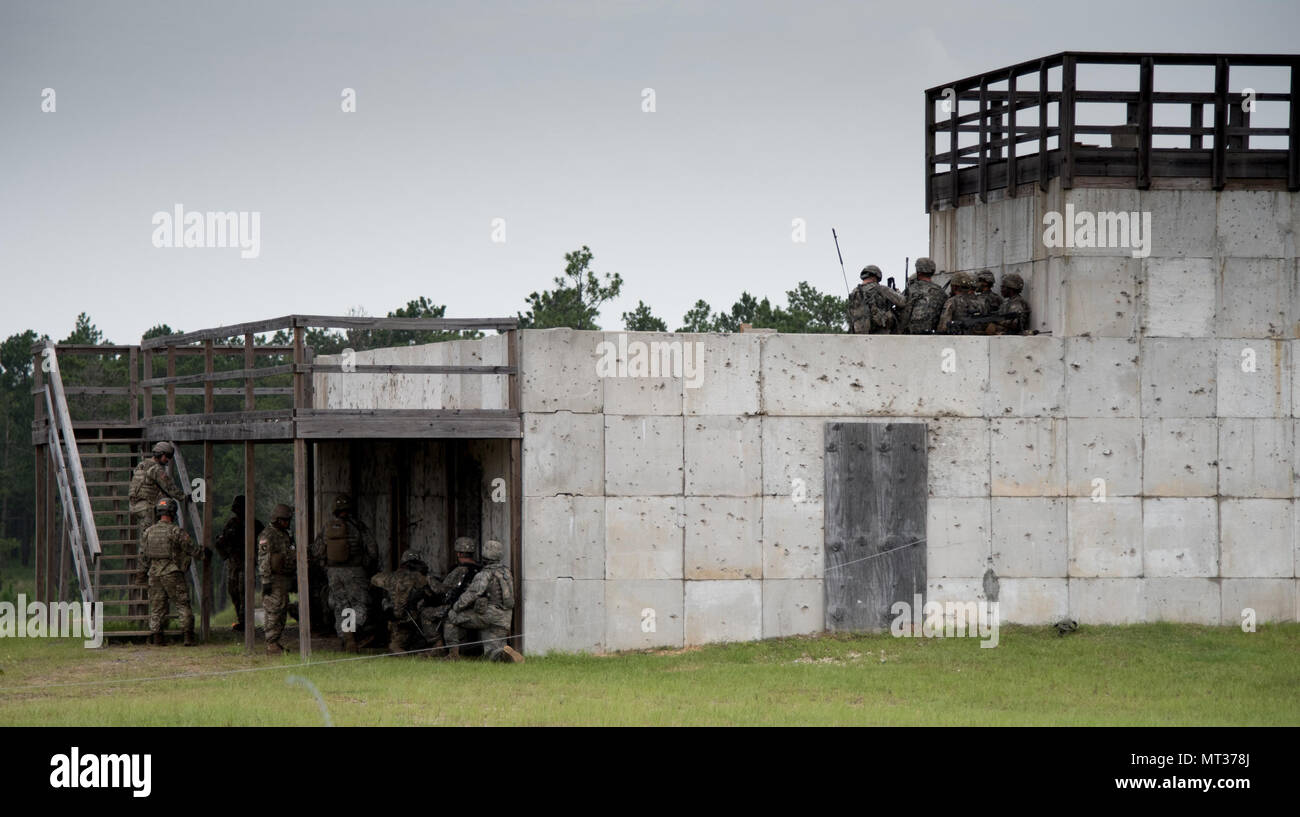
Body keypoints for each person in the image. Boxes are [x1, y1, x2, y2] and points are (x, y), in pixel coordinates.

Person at [445, 539, 522, 663]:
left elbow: (472, 594)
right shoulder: (506, 572)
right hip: (505, 617)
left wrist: (456, 607)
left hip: (488, 616)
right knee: (493, 652)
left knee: (451, 618)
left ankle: (453, 656)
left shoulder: (485, 574)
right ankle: (505, 653)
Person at [141, 497, 204, 646]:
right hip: (172, 572)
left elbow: (143, 555)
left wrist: (142, 572)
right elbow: (191, 548)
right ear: (172, 512)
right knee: (182, 604)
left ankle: (157, 637)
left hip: (154, 573)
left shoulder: (148, 532)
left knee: (157, 606)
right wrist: (203, 553)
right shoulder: (175, 531)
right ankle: (188, 636)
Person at [319, 494, 378, 652]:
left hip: (333, 573)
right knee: (359, 604)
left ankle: (346, 636)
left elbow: (318, 550)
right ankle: (351, 634)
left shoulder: (327, 527)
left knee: (341, 605)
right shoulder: (358, 526)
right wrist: (366, 564)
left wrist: (326, 566)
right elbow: (372, 550)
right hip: (355, 571)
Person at [128, 441, 186, 584]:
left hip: (135, 506)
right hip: (146, 508)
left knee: (148, 537)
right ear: (160, 454)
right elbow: (169, 486)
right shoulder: (156, 469)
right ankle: (141, 574)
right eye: (167, 457)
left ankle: (145, 570)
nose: (167, 460)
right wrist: (183, 497)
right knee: (147, 540)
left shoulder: (141, 465)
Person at [212, 495, 263, 632]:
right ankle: (242, 620)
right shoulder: (231, 524)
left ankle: (246, 621)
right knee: (234, 591)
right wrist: (225, 553)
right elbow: (221, 542)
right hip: (234, 563)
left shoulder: (255, 524)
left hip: (248, 562)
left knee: (245, 591)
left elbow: (262, 544)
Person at [371, 549, 438, 653]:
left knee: (395, 646)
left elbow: (374, 580)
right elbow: (436, 593)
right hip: (417, 620)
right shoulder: (422, 578)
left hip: (399, 619)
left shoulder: (390, 576)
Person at [427, 537, 480, 654]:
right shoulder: (480, 569)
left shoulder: (459, 570)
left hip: (457, 608)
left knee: (425, 614)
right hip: (475, 609)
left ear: (459, 553)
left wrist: (429, 579)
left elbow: (441, 590)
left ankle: (438, 645)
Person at [257, 503, 296, 655]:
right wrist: (266, 580)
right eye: (285, 520)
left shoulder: (284, 534)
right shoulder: (268, 535)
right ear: (278, 520)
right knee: (273, 609)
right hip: (273, 578)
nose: (288, 523)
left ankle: (276, 641)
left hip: (284, 577)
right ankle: (271, 643)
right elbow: (263, 558)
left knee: (282, 609)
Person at [846, 265, 905, 334]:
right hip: (880, 334)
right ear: (876, 276)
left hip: (858, 333)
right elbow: (902, 302)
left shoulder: (854, 293)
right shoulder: (881, 289)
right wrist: (897, 292)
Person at [898, 257, 947, 334]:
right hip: (933, 334)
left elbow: (905, 314)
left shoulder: (912, 289)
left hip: (911, 335)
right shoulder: (941, 292)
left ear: (918, 271)